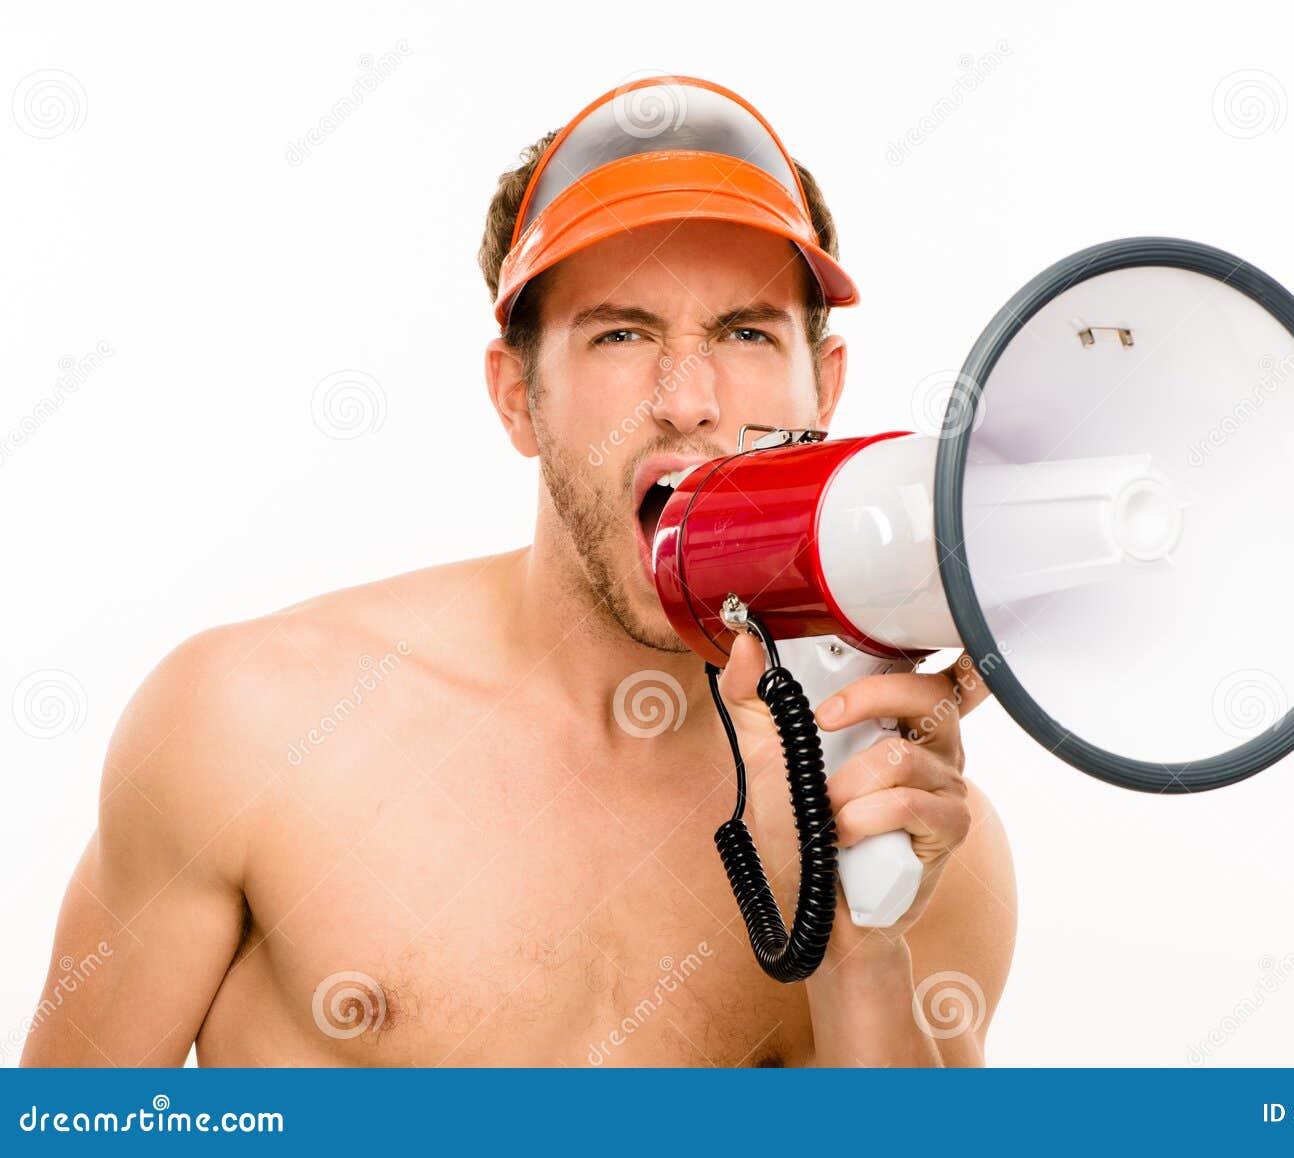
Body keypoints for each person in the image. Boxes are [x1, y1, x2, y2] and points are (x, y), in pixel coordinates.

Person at [23, 75, 1016, 1068]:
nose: (687, 400)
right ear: (515, 396)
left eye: (744, 332)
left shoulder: (912, 829)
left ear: (824, 388)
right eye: (620, 333)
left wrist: (853, 942)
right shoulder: (244, 725)